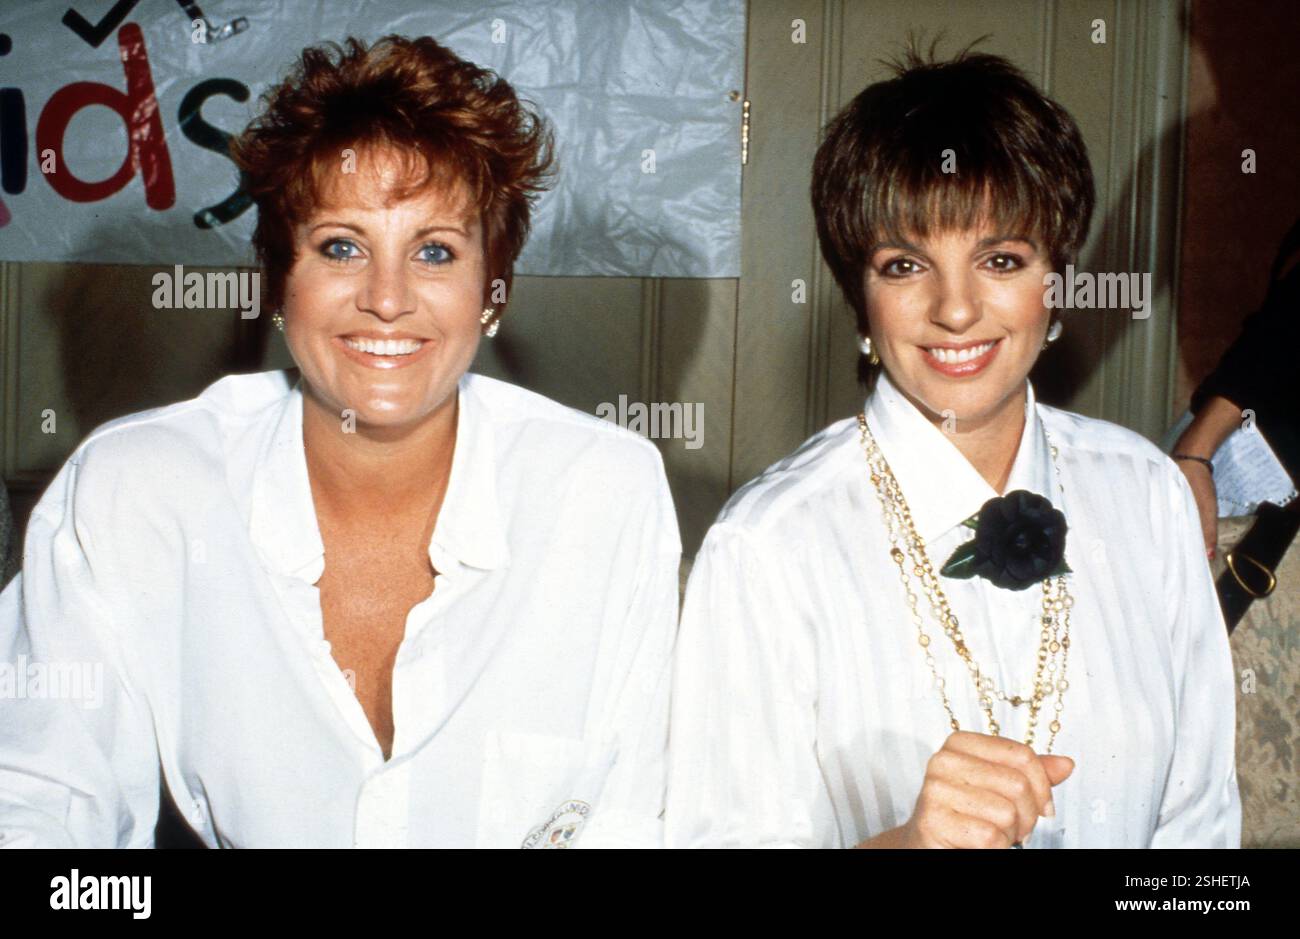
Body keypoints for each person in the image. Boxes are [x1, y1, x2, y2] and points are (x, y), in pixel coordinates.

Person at [0, 35, 680, 848]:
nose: (386, 299)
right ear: (279, 279)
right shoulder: (136, 488)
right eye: (342, 247)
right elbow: (36, 800)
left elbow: (639, 819)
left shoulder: (605, 492)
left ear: (491, 293)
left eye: (434, 251)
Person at [665, 46, 1240, 848]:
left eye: (1001, 259)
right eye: (905, 265)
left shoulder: (1148, 493)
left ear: (1056, 282)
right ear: (861, 300)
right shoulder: (767, 547)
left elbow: (1199, 833)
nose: (957, 309)